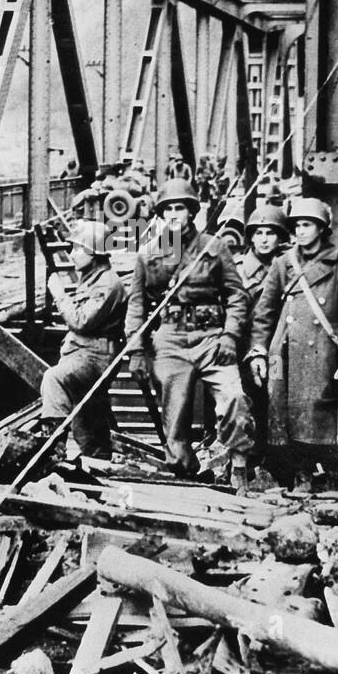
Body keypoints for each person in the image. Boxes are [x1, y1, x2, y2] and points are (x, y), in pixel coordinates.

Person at [125, 179, 257, 493]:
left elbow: (237, 296)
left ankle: (238, 466)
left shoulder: (214, 247)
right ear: (160, 214)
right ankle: (185, 476)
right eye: (167, 208)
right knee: (175, 416)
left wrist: (229, 336)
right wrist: (136, 351)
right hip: (170, 339)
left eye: (179, 208)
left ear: (191, 212)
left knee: (234, 397)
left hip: (212, 337)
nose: (173, 214)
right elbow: (136, 304)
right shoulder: (147, 255)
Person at [249, 197, 338, 493]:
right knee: (283, 411)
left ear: (321, 228)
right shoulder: (283, 263)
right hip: (283, 353)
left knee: (322, 416)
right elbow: (264, 313)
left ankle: (330, 475)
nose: (300, 231)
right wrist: (257, 351)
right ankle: (301, 475)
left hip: (325, 353)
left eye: (307, 225)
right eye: (296, 226)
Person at [39, 220, 127, 460]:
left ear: (95, 253)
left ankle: (52, 451)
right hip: (83, 354)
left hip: (96, 357)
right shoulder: (92, 277)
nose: (72, 254)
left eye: (78, 249)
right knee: (86, 422)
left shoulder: (108, 284)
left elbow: (81, 321)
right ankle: (98, 459)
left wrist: (58, 294)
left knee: (54, 379)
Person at [238, 203, 289, 489]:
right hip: (246, 348)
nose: (265, 239)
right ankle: (248, 461)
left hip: (279, 348)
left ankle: (275, 461)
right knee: (248, 402)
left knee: (275, 401)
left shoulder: (290, 267)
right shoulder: (238, 270)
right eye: (258, 233)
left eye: (271, 232)